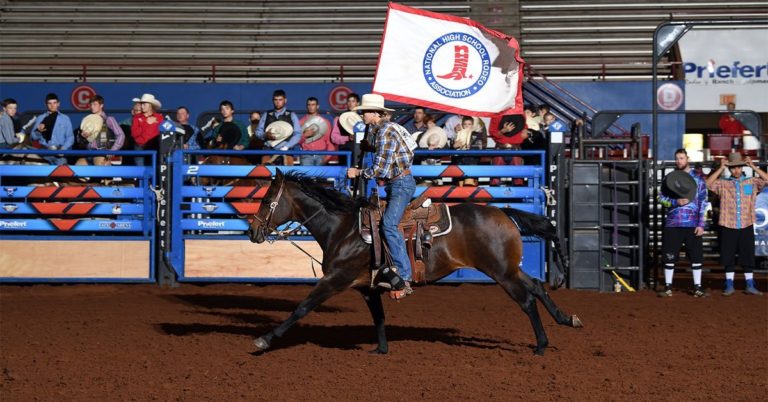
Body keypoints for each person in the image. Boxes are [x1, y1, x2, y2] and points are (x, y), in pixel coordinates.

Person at [346, 94, 416, 300]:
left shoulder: (385, 132)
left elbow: (381, 169)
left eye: (365, 112)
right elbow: (397, 152)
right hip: (400, 182)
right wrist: (373, 147)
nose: (362, 115)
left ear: (376, 113)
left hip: (400, 183)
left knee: (388, 224)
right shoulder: (388, 130)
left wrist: (358, 173)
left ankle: (404, 275)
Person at [706, 152, 768, 296]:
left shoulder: (752, 182)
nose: (736, 170)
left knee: (747, 255)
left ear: (743, 167)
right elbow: (708, 184)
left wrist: (753, 165)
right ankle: (729, 284)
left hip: (746, 223)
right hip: (729, 223)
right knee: (728, 255)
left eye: (739, 167)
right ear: (729, 169)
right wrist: (721, 168)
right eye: (733, 167)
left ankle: (750, 284)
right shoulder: (724, 183)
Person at [658, 149, 709, 297]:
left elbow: (703, 202)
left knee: (696, 256)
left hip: (692, 224)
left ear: (687, 158)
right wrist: (675, 202)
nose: (679, 161)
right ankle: (668, 287)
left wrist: (701, 224)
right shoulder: (670, 179)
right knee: (669, 255)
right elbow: (660, 198)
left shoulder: (698, 180)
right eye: (677, 159)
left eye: (681, 158)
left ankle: (697, 287)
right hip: (673, 223)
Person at [255, 89, 302, 164]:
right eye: (275, 100)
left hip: (286, 152)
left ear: (285, 100)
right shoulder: (266, 115)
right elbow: (258, 132)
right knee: (265, 174)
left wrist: (287, 146)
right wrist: (265, 135)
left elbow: (298, 134)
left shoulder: (291, 115)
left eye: (280, 100)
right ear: (272, 100)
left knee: (287, 174)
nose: (278, 102)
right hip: (268, 150)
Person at [77, 95, 125, 166]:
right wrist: (82, 136)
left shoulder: (108, 119)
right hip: (89, 154)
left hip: (102, 154)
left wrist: (113, 151)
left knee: (99, 166)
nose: (92, 106)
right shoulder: (87, 120)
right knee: (78, 166)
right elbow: (78, 139)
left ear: (101, 105)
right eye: (91, 104)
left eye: (95, 104)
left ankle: (103, 176)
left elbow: (121, 135)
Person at [31, 93, 73, 165]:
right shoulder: (40, 118)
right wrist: (38, 131)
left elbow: (70, 137)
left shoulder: (65, 119)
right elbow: (33, 137)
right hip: (44, 154)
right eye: (49, 103)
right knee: (41, 175)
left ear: (58, 104)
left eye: (54, 103)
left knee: (62, 175)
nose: (52, 105)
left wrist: (63, 149)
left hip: (60, 155)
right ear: (46, 104)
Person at [298, 97, 333, 166]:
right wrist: (304, 135)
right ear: (307, 106)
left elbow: (329, 142)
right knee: (306, 176)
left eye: (313, 104)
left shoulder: (325, 122)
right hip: (306, 155)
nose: (311, 107)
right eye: (309, 105)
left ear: (317, 106)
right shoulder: (301, 122)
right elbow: (296, 140)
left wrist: (327, 157)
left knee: (320, 177)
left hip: (321, 155)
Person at [130, 93, 163, 166]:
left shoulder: (159, 118)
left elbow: (161, 133)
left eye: (144, 104)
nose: (142, 106)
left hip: (154, 147)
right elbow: (134, 134)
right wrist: (146, 123)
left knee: (154, 168)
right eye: (141, 104)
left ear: (150, 106)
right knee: (141, 170)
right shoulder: (136, 118)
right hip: (140, 147)